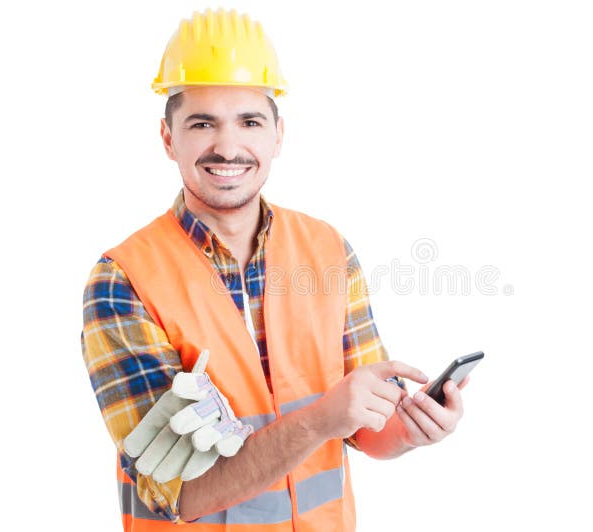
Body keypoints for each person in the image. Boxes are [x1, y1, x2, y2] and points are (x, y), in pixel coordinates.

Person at [81, 8, 469, 530]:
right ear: (168, 138)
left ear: (278, 135)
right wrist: (321, 420)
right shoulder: (123, 280)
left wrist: (411, 429)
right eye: (202, 123)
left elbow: (366, 428)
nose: (228, 147)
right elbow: (181, 493)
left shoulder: (327, 250)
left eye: (249, 121)